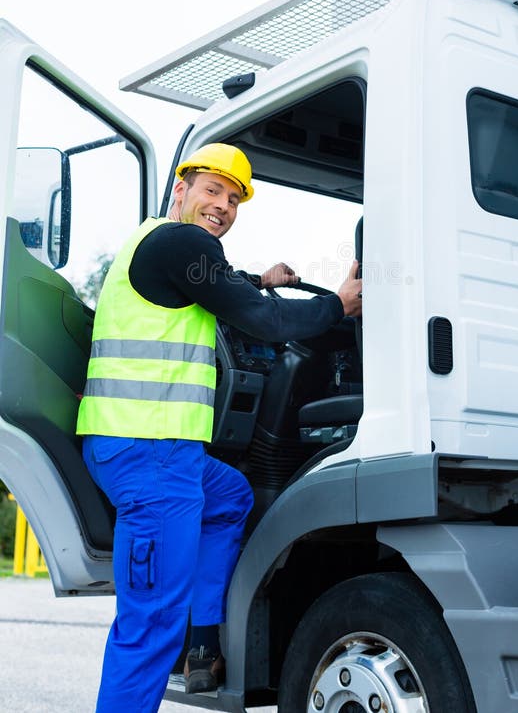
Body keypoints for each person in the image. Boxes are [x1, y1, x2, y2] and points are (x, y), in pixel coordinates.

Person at [76, 143, 362, 712]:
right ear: (180, 190)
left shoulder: (162, 246)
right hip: (149, 453)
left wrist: (259, 277)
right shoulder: (181, 242)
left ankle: (203, 643)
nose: (223, 206)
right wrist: (339, 305)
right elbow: (263, 320)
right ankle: (180, 643)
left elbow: (218, 284)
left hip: (152, 448)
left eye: (234, 199)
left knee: (230, 497)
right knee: (151, 622)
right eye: (212, 190)